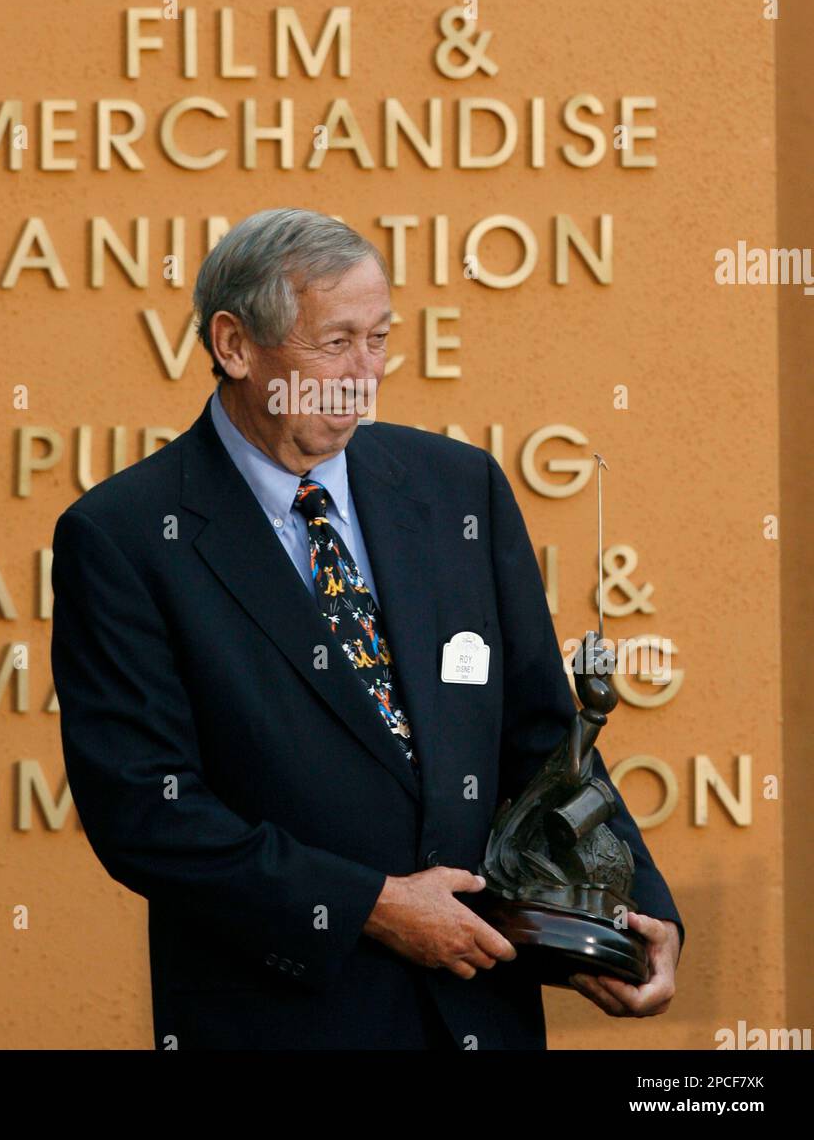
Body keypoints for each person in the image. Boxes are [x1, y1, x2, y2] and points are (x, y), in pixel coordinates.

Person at [50, 206, 683, 1051]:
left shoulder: (462, 490)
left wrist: (638, 907)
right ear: (235, 345)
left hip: (478, 1015)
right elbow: (146, 812)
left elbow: (542, 738)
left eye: (379, 339)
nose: (364, 374)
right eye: (335, 342)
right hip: (281, 1022)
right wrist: (372, 908)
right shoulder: (125, 537)